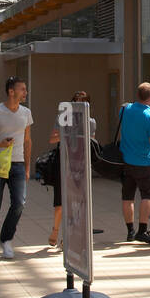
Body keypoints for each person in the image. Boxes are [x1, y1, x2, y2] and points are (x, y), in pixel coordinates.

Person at [0, 76, 33, 261]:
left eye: (25, 89)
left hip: (17, 163)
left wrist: (27, 167)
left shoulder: (26, 113)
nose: (25, 92)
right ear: (11, 91)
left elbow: (27, 141)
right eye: (22, 89)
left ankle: (7, 239)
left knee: (19, 203)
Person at [47, 90, 96, 249]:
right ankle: (55, 230)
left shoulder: (90, 122)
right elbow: (52, 138)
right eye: (75, 100)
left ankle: (67, 237)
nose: (78, 103)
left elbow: (91, 143)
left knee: (78, 202)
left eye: (82, 101)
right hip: (63, 161)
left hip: (80, 165)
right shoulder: (63, 118)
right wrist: (66, 133)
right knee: (61, 202)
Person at [119, 83, 150, 246]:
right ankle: (142, 231)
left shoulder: (124, 110)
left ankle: (130, 231)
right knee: (147, 196)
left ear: (137, 95)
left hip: (126, 161)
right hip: (143, 162)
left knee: (127, 196)